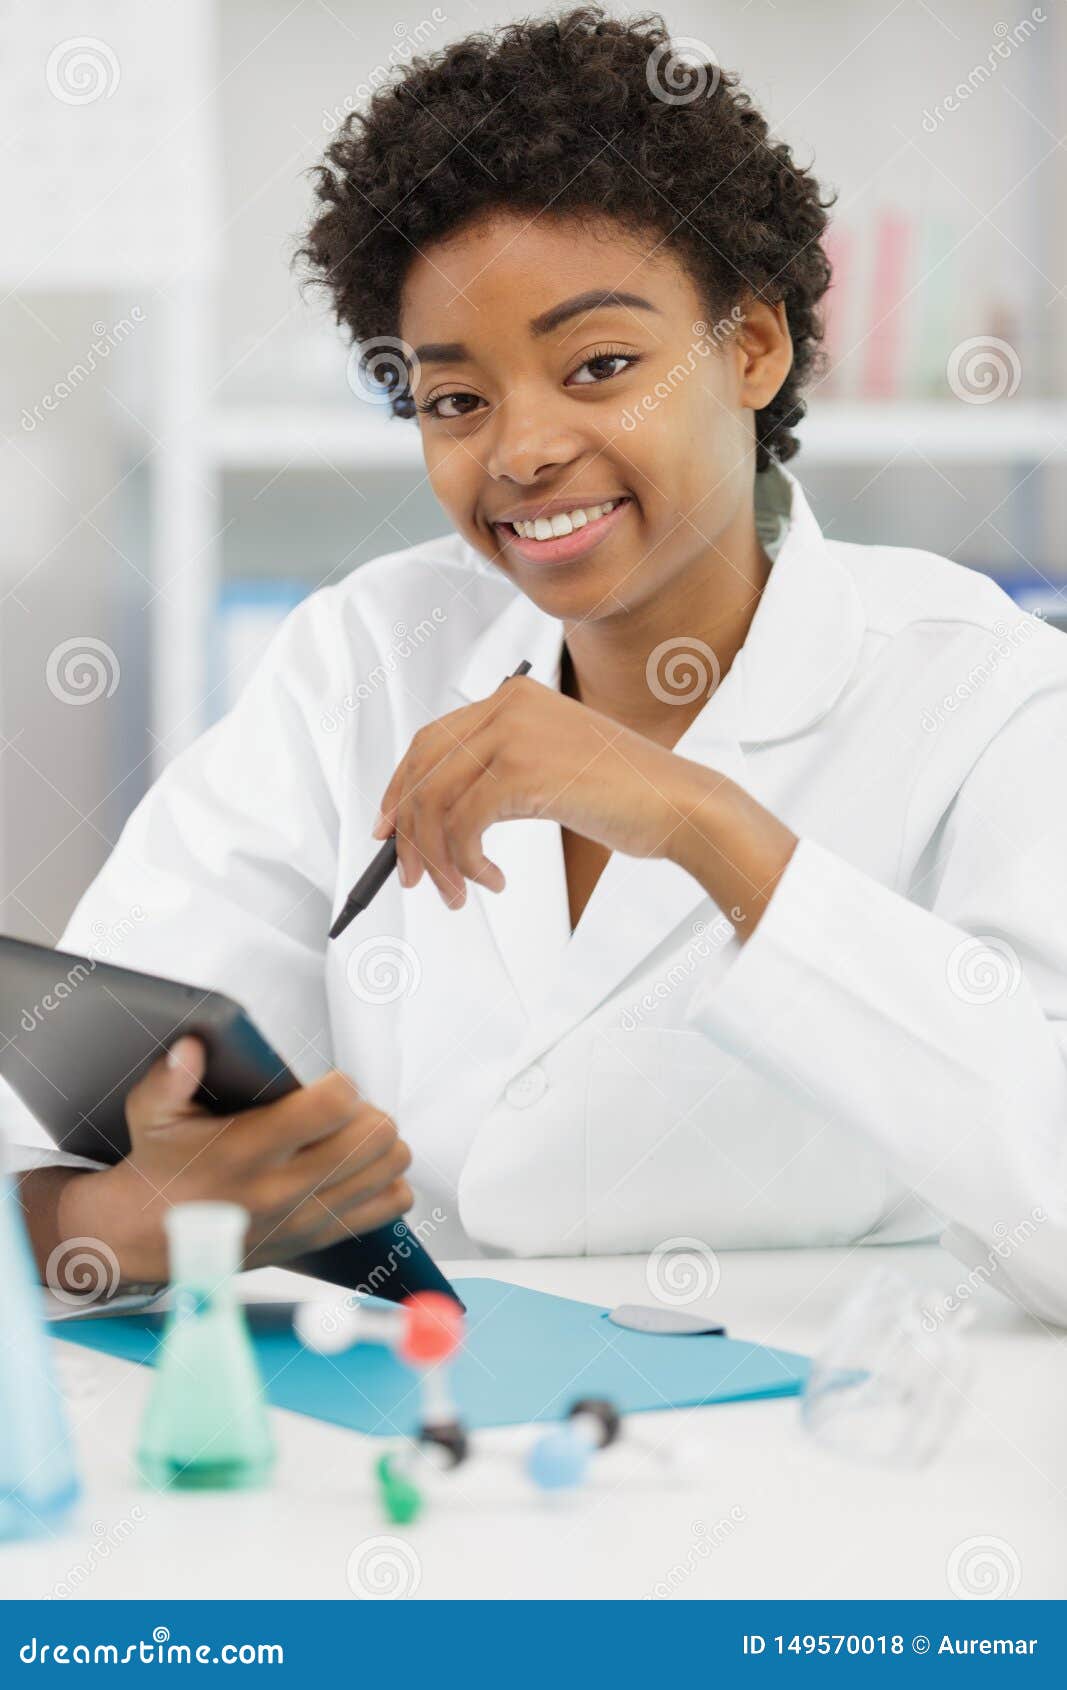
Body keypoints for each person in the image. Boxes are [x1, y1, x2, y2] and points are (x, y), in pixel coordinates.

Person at [11, 8, 1067, 1320]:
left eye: (600, 365)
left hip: (830, 1459)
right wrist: (129, 1216)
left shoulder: (989, 695)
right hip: (429, 1443)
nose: (519, 449)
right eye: (456, 399)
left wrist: (702, 823)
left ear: (754, 344)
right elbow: (58, 1119)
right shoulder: (366, 656)